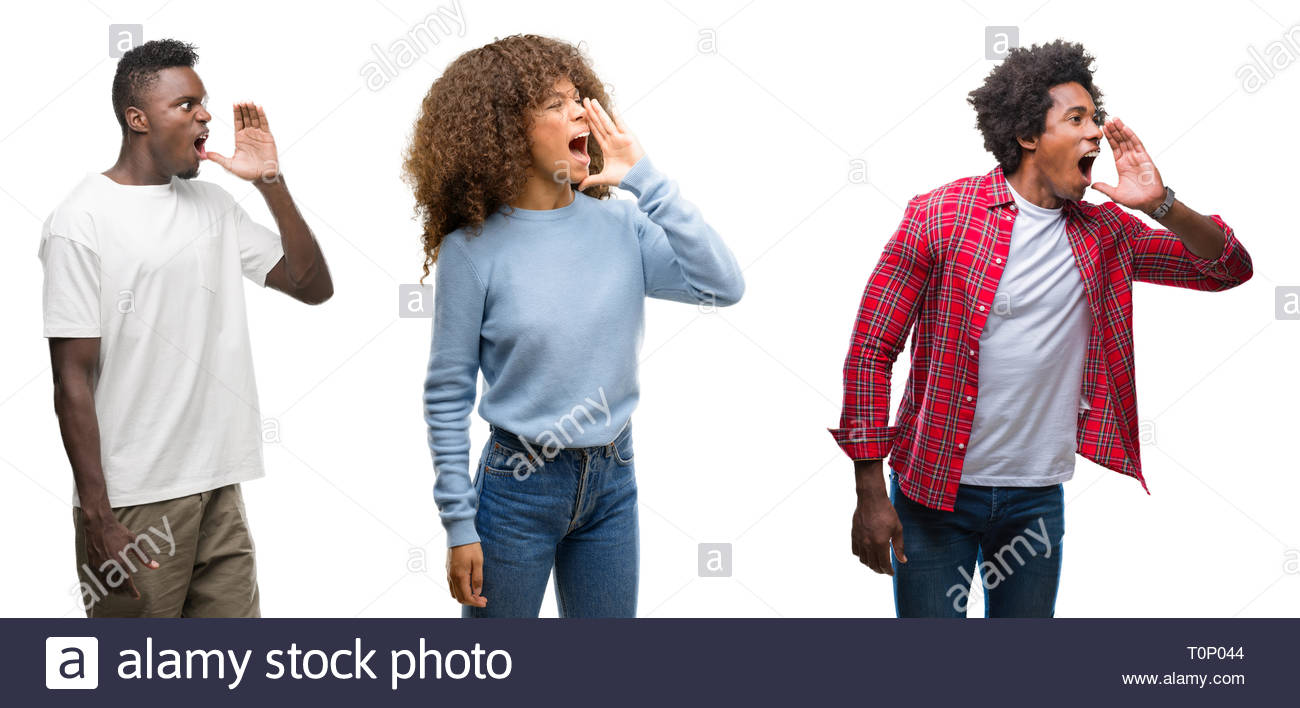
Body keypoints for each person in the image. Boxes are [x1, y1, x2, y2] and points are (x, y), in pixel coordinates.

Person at [830, 40, 1252, 617]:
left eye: (1095, 118)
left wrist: (1161, 204)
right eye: (1075, 119)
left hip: (1035, 499)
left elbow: (1228, 268)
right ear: (1029, 135)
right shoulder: (940, 216)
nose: (1096, 133)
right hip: (933, 492)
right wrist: (869, 492)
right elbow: (871, 351)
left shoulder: (1106, 234)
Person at [407, 35, 744, 618]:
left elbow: (723, 285)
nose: (582, 113)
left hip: (613, 480)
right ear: (506, 130)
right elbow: (447, 395)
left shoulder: (623, 225)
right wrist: (459, 523)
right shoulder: (471, 252)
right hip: (517, 489)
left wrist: (648, 182)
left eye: (579, 99)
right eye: (556, 104)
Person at [41, 38, 333, 617]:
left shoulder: (213, 207)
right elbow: (71, 378)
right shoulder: (80, 220)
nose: (205, 115)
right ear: (138, 118)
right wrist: (99, 516)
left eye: (204, 103)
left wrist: (269, 183)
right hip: (134, 503)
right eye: (187, 104)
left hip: (219, 489)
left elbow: (312, 287)